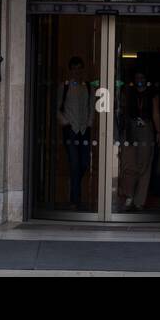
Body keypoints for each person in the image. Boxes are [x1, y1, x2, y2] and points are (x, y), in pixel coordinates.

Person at [116, 68, 160, 211]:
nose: (139, 80)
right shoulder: (128, 92)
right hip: (130, 127)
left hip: (146, 128)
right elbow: (122, 111)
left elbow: (155, 112)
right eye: (137, 77)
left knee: (145, 164)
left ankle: (139, 201)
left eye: (142, 77)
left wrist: (158, 132)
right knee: (128, 163)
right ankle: (128, 196)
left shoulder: (152, 93)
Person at [56, 56, 93, 210]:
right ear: (71, 70)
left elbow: (91, 107)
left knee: (84, 163)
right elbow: (57, 107)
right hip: (71, 130)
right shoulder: (64, 86)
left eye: (79, 68)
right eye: (75, 68)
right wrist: (66, 122)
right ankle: (74, 200)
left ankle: (74, 188)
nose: (77, 71)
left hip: (84, 130)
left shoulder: (89, 87)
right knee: (74, 164)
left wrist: (90, 123)